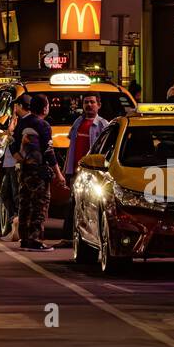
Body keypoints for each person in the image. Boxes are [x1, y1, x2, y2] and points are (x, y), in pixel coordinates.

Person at [12, 94, 58, 251]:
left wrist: (20, 159)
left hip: (25, 170)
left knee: (25, 203)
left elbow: (12, 144)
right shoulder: (43, 125)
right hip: (39, 171)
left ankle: (24, 238)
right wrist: (58, 173)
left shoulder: (22, 122)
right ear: (45, 108)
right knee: (39, 204)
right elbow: (48, 151)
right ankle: (36, 239)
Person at [63, 93, 107, 239]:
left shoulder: (103, 125)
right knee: (73, 205)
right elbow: (71, 148)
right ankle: (69, 237)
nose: (89, 105)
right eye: (86, 102)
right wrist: (67, 170)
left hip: (93, 174)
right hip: (77, 172)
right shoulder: (78, 123)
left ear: (99, 105)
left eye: (92, 102)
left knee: (92, 206)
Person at [0, 94, 32, 238]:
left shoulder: (26, 122)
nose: (14, 108)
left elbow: (19, 142)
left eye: (16, 105)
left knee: (16, 195)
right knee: (5, 194)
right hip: (9, 163)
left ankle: (17, 230)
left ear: (20, 106)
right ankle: (14, 222)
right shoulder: (17, 121)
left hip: (15, 163)